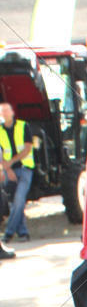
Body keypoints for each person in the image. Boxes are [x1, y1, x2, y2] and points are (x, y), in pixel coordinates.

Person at [0, 100, 34, 247]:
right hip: (10, 171)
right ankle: (23, 233)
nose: (4, 114)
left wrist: (11, 162)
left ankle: (8, 234)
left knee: (19, 200)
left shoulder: (23, 126)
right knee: (14, 202)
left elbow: (27, 148)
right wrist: (7, 169)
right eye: (2, 111)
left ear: (12, 112)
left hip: (25, 168)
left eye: (7, 110)